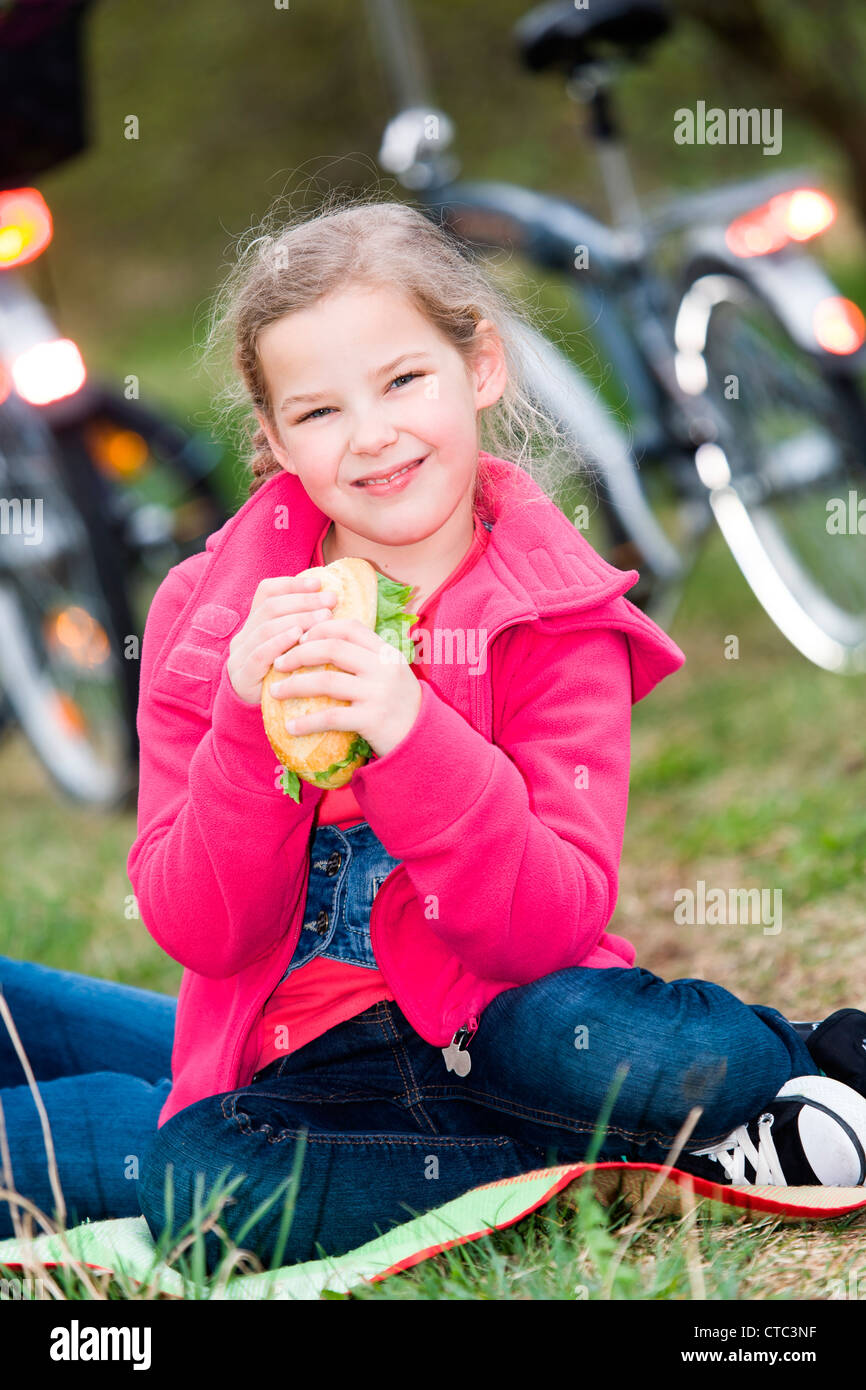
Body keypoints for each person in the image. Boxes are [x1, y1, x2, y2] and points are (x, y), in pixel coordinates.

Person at [2, 197, 866, 1268]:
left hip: (503, 1034)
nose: (370, 435)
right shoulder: (207, 613)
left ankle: (797, 1070)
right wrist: (243, 728)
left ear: (481, 369)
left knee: (583, 1047)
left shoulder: (555, 618)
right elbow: (203, 932)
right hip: (297, 1069)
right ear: (272, 441)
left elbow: (545, 926)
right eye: (317, 413)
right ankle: (602, 1156)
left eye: (403, 380)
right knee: (192, 1150)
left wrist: (410, 733)